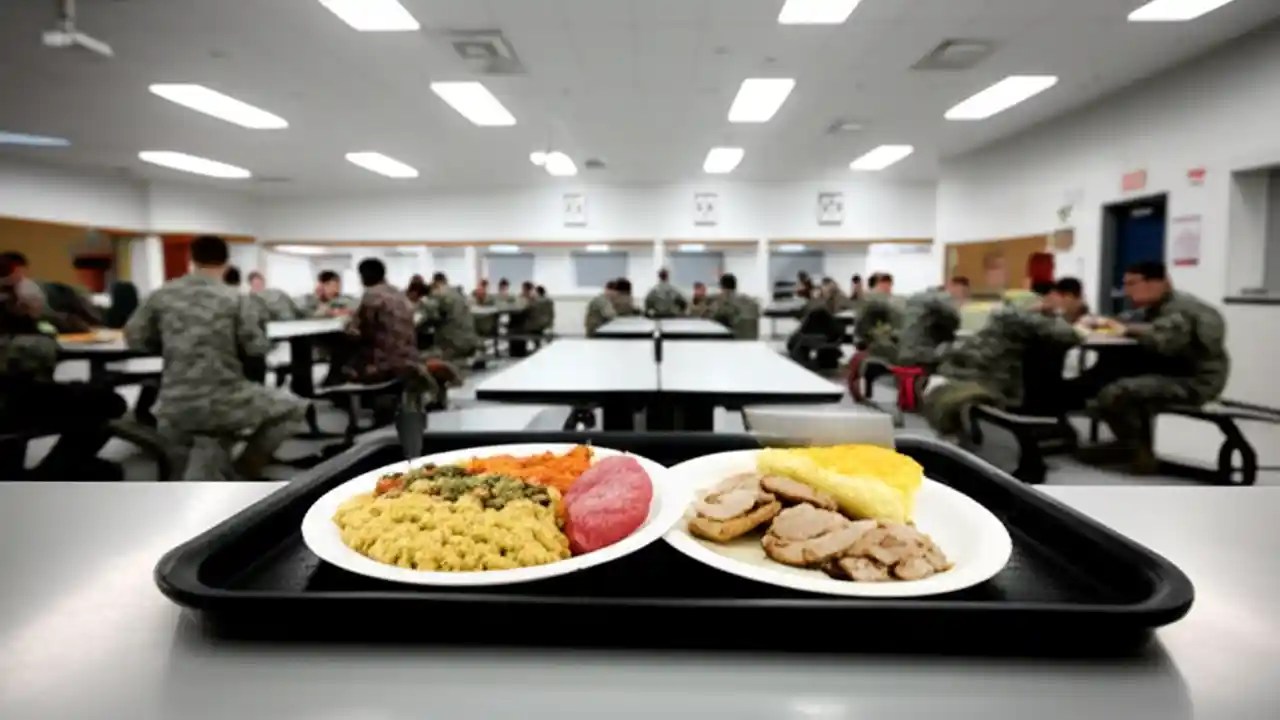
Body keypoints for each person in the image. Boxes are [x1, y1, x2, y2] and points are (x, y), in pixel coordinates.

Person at [124, 235, 306, 480]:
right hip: (225, 401)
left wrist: (173, 345)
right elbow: (256, 347)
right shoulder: (236, 298)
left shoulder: (161, 295)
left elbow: (135, 338)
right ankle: (244, 471)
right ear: (227, 262)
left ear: (191, 259)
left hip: (173, 405)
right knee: (294, 408)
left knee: (183, 470)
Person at [1084, 261, 1229, 473]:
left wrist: (1125, 329)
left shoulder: (1183, 310)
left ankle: (1137, 448)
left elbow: (1165, 343)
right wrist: (1104, 323)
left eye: (1132, 283)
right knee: (1097, 386)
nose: (1127, 290)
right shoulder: (1154, 308)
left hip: (1195, 381)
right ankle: (1130, 443)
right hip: (1170, 372)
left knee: (1115, 392)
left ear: (1160, 282)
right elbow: (1128, 323)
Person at [1, 255, 127, 480]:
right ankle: (49, 474)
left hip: (17, 391)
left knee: (92, 399)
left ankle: (42, 472)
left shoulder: (26, 304)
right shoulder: (16, 307)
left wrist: (35, 315)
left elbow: (65, 327)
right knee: (106, 402)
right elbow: (29, 354)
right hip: (11, 398)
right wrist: (29, 315)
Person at [923, 287, 1081, 438]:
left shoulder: (1000, 316)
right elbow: (1070, 335)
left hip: (970, 372)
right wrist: (1056, 315)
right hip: (994, 381)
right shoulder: (1025, 319)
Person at [896, 276, 970, 369]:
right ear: (954, 287)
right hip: (924, 356)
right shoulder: (943, 300)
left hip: (904, 353)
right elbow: (954, 324)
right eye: (963, 293)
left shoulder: (917, 297)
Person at [422, 272, 480, 361]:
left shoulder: (439, 293)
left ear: (436, 282)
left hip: (453, 345)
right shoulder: (459, 293)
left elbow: (429, 315)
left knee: (421, 358)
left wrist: (423, 302)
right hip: (470, 342)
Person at [853, 272, 903, 362]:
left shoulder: (888, 299)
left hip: (881, 338)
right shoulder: (870, 299)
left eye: (890, 284)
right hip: (873, 341)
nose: (889, 288)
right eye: (885, 284)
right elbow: (865, 327)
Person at [710, 273, 760, 340]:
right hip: (753, 340)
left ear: (722, 287)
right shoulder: (749, 300)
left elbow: (713, 317)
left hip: (735, 341)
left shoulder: (725, 301)